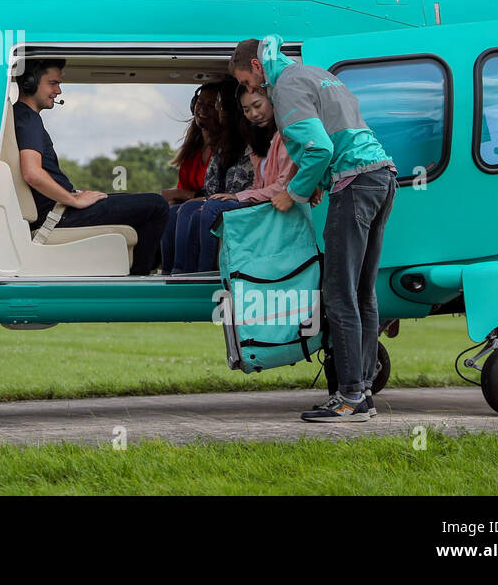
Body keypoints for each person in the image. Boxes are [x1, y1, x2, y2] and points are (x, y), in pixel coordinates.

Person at [230, 36, 396, 422]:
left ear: (257, 68)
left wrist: (295, 191)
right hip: (381, 177)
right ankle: (364, 393)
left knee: (338, 294)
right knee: (362, 294)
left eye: (251, 85)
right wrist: (319, 182)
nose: (253, 92)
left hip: (355, 185)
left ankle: (349, 397)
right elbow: (338, 136)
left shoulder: (286, 86)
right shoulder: (317, 74)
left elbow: (319, 148)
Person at [13, 58, 169, 276]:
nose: (58, 90)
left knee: (132, 201)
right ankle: (140, 282)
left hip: (58, 211)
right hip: (58, 215)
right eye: (53, 83)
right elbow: (32, 173)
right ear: (29, 83)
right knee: (157, 205)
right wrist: (74, 199)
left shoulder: (20, 116)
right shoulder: (28, 120)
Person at [177, 87, 299, 274]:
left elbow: (282, 187)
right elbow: (259, 184)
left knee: (213, 207)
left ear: (273, 103)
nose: (254, 114)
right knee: (190, 210)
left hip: (274, 206)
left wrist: (238, 196)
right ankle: (181, 273)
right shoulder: (260, 140)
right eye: (247, 110)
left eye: (257, 106)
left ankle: (204, 275)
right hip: (260, 201)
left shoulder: (286, 136)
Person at [162, 79, 253, 275]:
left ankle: (197, 275)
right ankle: (170, 273)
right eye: (200, 104)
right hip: (218, 197)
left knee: (191, 210)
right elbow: (211, 187)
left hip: (241, 198)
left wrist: (192, 197)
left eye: (214, 106)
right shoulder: (213, 148)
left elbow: (237, 188)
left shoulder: (245, 143)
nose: (204, 110)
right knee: (173, 211)